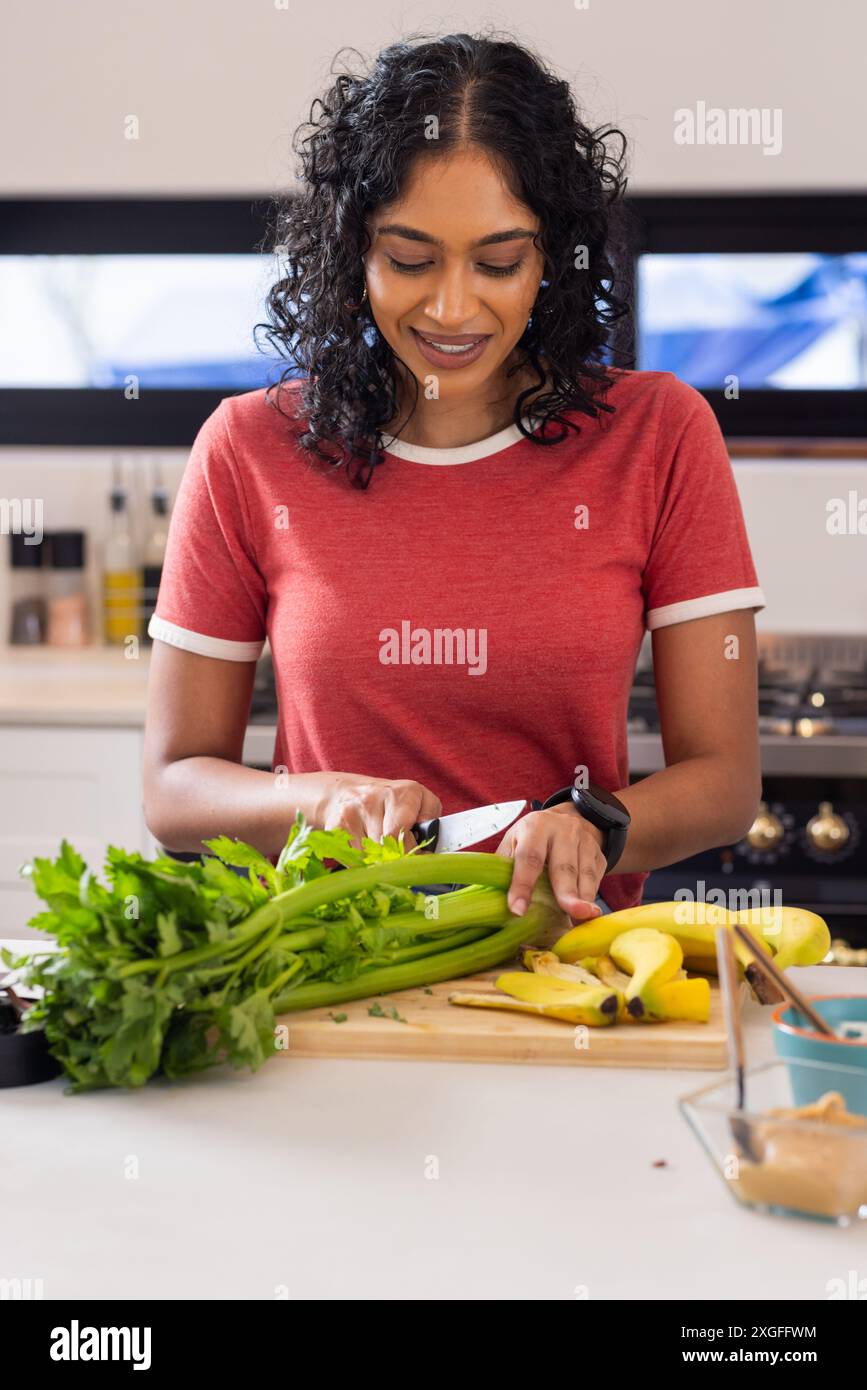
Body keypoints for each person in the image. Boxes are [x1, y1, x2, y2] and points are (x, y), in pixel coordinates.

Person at [143, 32, 764, 925]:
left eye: (499, 262)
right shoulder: (249, 447)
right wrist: (314, 803)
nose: (452, 307)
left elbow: (724, 781)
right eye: (409, 257)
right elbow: (172, 788)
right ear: (351, 252)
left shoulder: (658, 435)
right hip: (322, 968)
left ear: (551, 258)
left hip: (568, 969)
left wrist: (596, 822)